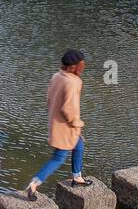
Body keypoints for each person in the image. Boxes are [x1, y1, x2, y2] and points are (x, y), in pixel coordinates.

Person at [25, 50, 90, 199]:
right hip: (66, 127)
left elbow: (49, 100)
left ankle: (77, 176)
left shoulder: (57, 76)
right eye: (81, 64)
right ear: (75, 66)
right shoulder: (73, 82)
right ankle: (35, 183)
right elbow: (69, 109)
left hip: (56, 123)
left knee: (79, 144)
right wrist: (77, 124)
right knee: (58, 158)